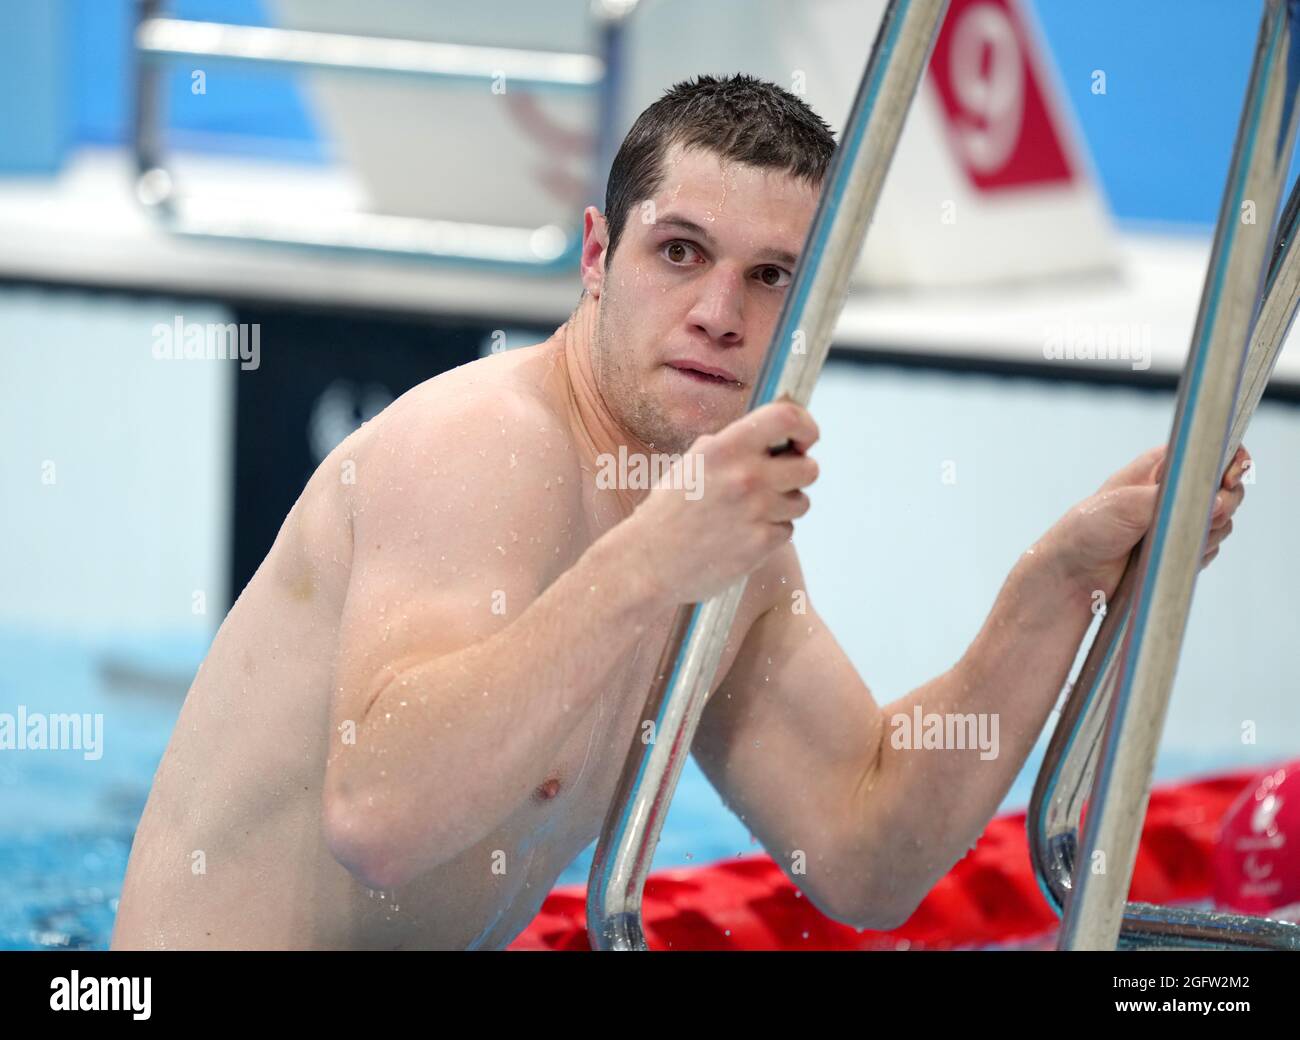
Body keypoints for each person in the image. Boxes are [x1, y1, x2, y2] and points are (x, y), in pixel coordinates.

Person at [110, 73, 1250, 950]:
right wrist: (653, 559)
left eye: (769, 277)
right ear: (599, 258)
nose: (717, 311)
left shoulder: (713, 524)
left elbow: (861, 849)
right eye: (680, 251)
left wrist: (1053, 590)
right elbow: (379, 815)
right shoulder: (489, 445)